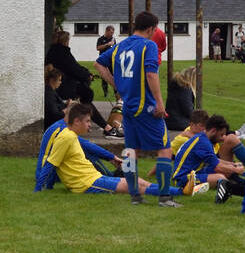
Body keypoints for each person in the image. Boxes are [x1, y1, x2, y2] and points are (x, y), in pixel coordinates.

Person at [94, 11, 180, 207]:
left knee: (131, 150)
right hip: (146, 106)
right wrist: (159, 102)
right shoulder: (148, 45)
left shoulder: (119, 46)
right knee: (165, 149)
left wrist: (116, 84)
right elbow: (151, 74)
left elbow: (98, 64)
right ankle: (165, 198)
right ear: (150, 29)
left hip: (128, 107)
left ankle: (135, 196)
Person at [35, 104, 182, 198]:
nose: (89, 126)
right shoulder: (65, 137)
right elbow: (51, 163)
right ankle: (180, 192)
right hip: (86, 184)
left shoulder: (71, 135)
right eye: (87, 122)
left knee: (135, 181)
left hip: (93, 177)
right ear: (77, 122)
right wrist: (39, 189)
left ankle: (180, 191)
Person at [46, 30, 118, 136]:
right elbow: (74, 68)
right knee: (86, 101)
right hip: (65, 87)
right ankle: (105, 128)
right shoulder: (63, 53)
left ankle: (104, 127)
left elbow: (73, 66)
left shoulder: (52, 51)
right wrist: (87, 74)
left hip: (61, 85)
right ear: (66, 41)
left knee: (85, 101)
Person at [171, 114, 245, 195]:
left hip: (196, 172)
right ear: (213, 131)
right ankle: (244, 189)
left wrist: (232, 164)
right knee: (220, 178)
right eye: (221, 135)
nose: (222, 138)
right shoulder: (203, 142)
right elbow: (218, 167)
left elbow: (214, 160)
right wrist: (235, 169)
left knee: (227, 171)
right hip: (184, 178)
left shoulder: (203, 138)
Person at [164, 65, 198, 130]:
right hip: (180, 123)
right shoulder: (185, 89)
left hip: (172, 120)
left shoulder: (177, 85)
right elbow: (187, 109)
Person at [95, 25, 117, 97]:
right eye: (111, 32)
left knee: (113, 76)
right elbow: (98, 48)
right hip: (103, 62)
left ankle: (116, 92)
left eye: (113, 33)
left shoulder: (113, 39)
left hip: (111, 61)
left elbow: (115, 48)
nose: (112, 34)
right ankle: (106, 93)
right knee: (104, 77)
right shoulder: (101, 39)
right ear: (107, 31)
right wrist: (107, 44)